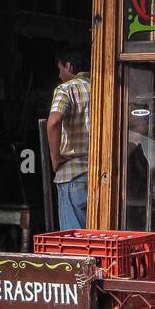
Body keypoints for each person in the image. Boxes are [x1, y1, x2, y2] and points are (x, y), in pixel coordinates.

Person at [46, 46, 91, 230]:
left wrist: (55, 158)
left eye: (60, 69)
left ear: (69, 66)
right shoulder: (102, 89)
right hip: (99, 175)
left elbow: (54, 121)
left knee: (75, 245)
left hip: (72, 174)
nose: (59, 75)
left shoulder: (66, 89)